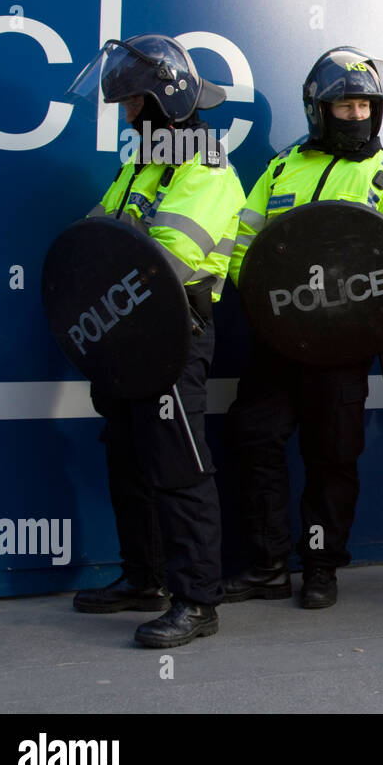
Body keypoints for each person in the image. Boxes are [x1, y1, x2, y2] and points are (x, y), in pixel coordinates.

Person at [222, 47, 383, 610]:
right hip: (277, 342)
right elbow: (245, 243)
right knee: (253, 438)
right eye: (345, 105)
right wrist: (270, 307)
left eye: (365, 105)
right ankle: (265, 566)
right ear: (318, 110)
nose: (356, 115)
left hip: (343, 346)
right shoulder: (283, 167)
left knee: (332, 455)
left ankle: (321, 565)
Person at [67, 34, 245, 647]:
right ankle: (144, 580)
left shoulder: (206, 166)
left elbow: (167, 259)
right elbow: (98, 239)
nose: (125, 113)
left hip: (172, 335)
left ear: (160, 103)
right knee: (129, 460)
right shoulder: (142, 164)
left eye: (131, 102)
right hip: (125, 334)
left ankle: (197, 601)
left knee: (178, 468)